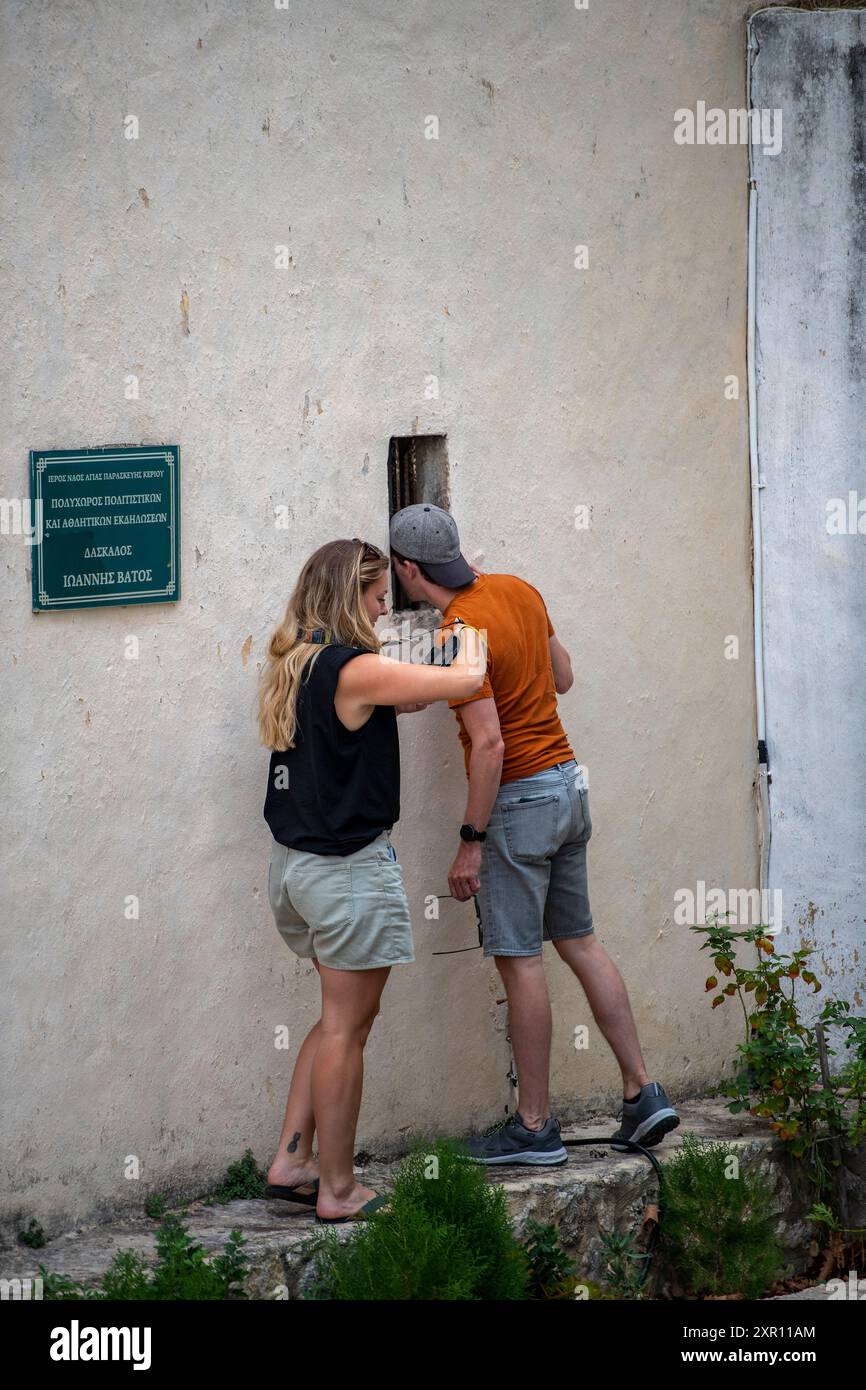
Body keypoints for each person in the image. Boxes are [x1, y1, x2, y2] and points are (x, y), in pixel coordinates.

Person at [389, 504, 680, 1163]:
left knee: (520, 960)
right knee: (579, 941)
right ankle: (642, 1091)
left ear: (409, 569)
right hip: (567, 784)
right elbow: (565, 677)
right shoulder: (518, 590)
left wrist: (471, 840)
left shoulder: (460, 631)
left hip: (519, 800)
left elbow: (488, 744)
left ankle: (535, 1126)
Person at [257, 537, 486, 1220]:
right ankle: (338, 1187)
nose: (386, 608)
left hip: (297, 870)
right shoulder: (353, 669)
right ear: (347, 595)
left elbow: (389, 702)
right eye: (379, 597)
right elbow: (466, 680)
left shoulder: (296, 663)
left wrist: (416, 680)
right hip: (348, 873)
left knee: (335, 1021)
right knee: (348, 1032)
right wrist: (470, 631)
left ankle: (293, 1158)